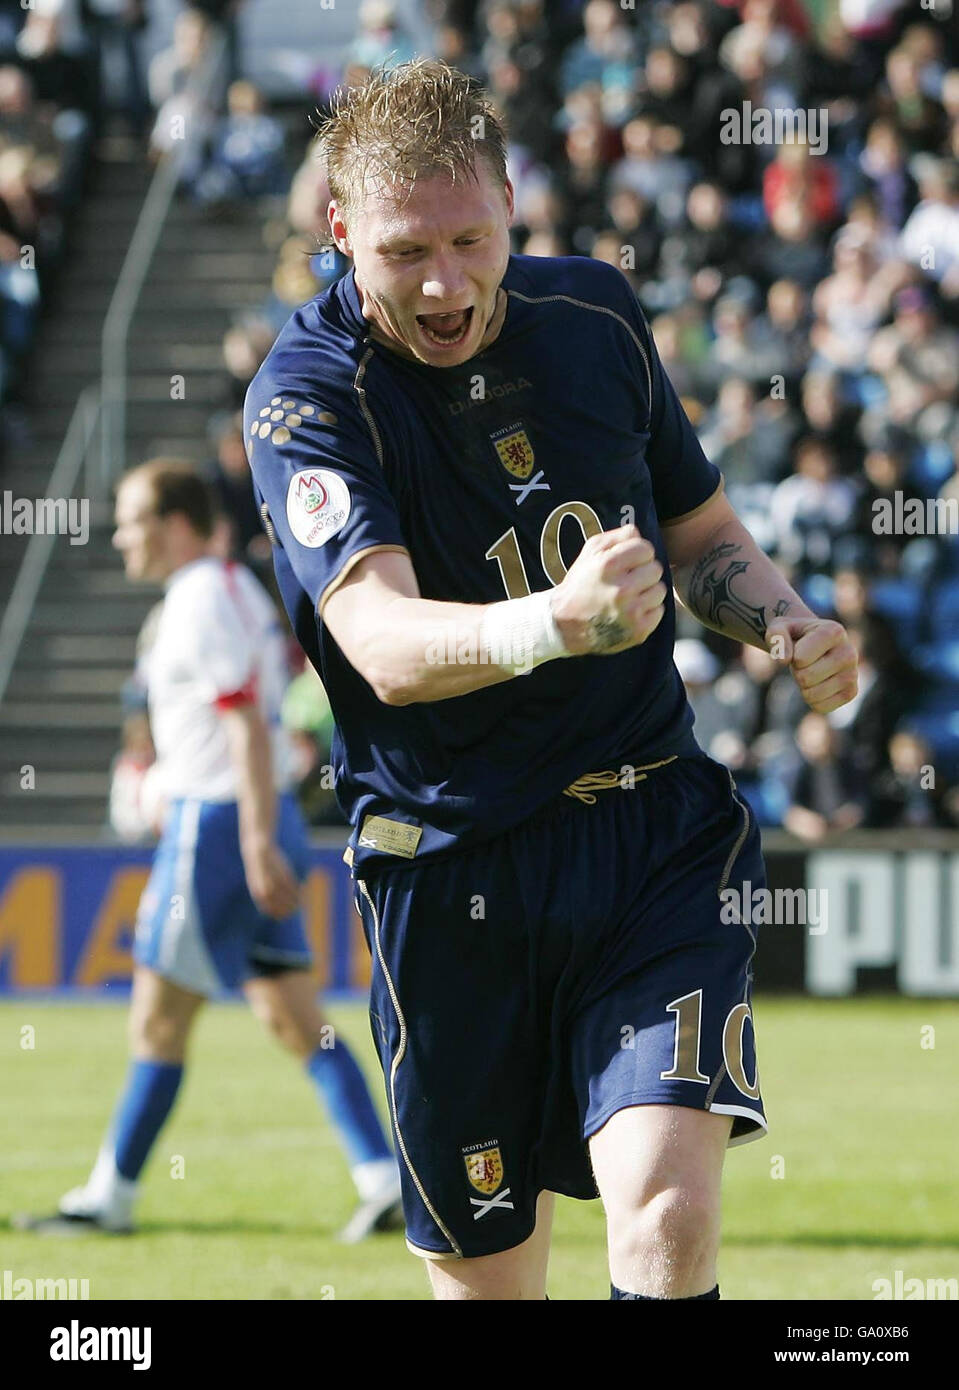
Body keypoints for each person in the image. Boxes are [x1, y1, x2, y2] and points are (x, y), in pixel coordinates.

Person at [244, 60, 859, 1301]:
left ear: (515, 206)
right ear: (340, 230)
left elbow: (701, 537)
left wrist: (787, 621)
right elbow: (379, 641)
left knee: (669, 1218)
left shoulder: (594, 318)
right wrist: (555, 623)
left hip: (648, 830)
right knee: (491, 1286)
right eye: (406, 249)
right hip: (448, 866)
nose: (445, 283)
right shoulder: (306, 400)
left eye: (471, 239)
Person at [17, 460, 401, 1243]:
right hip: (246, 823)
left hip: (221, 827)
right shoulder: (223, 591)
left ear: (175, 522)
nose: (121, 534)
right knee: (297, 1019)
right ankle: (382, 1177)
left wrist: (255, 838)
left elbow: (241, 729)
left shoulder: (198, 601)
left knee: (157, 1019)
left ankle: (109, 1198)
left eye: (131, 518)